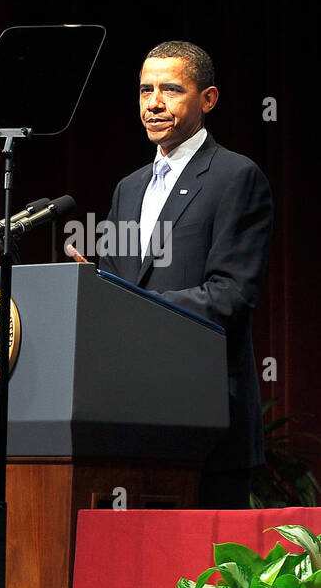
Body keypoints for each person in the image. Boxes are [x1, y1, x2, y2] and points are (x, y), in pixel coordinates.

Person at [93, 40, 272, 508]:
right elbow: (115, 285)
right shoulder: (129, 189)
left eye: (170, 90)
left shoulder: (236, 176)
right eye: (144, 90)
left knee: (203, 574)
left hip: (206, 417)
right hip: (130, 416)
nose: (153, 103)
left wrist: (134, 306)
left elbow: (230, 295)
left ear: (207, 100)